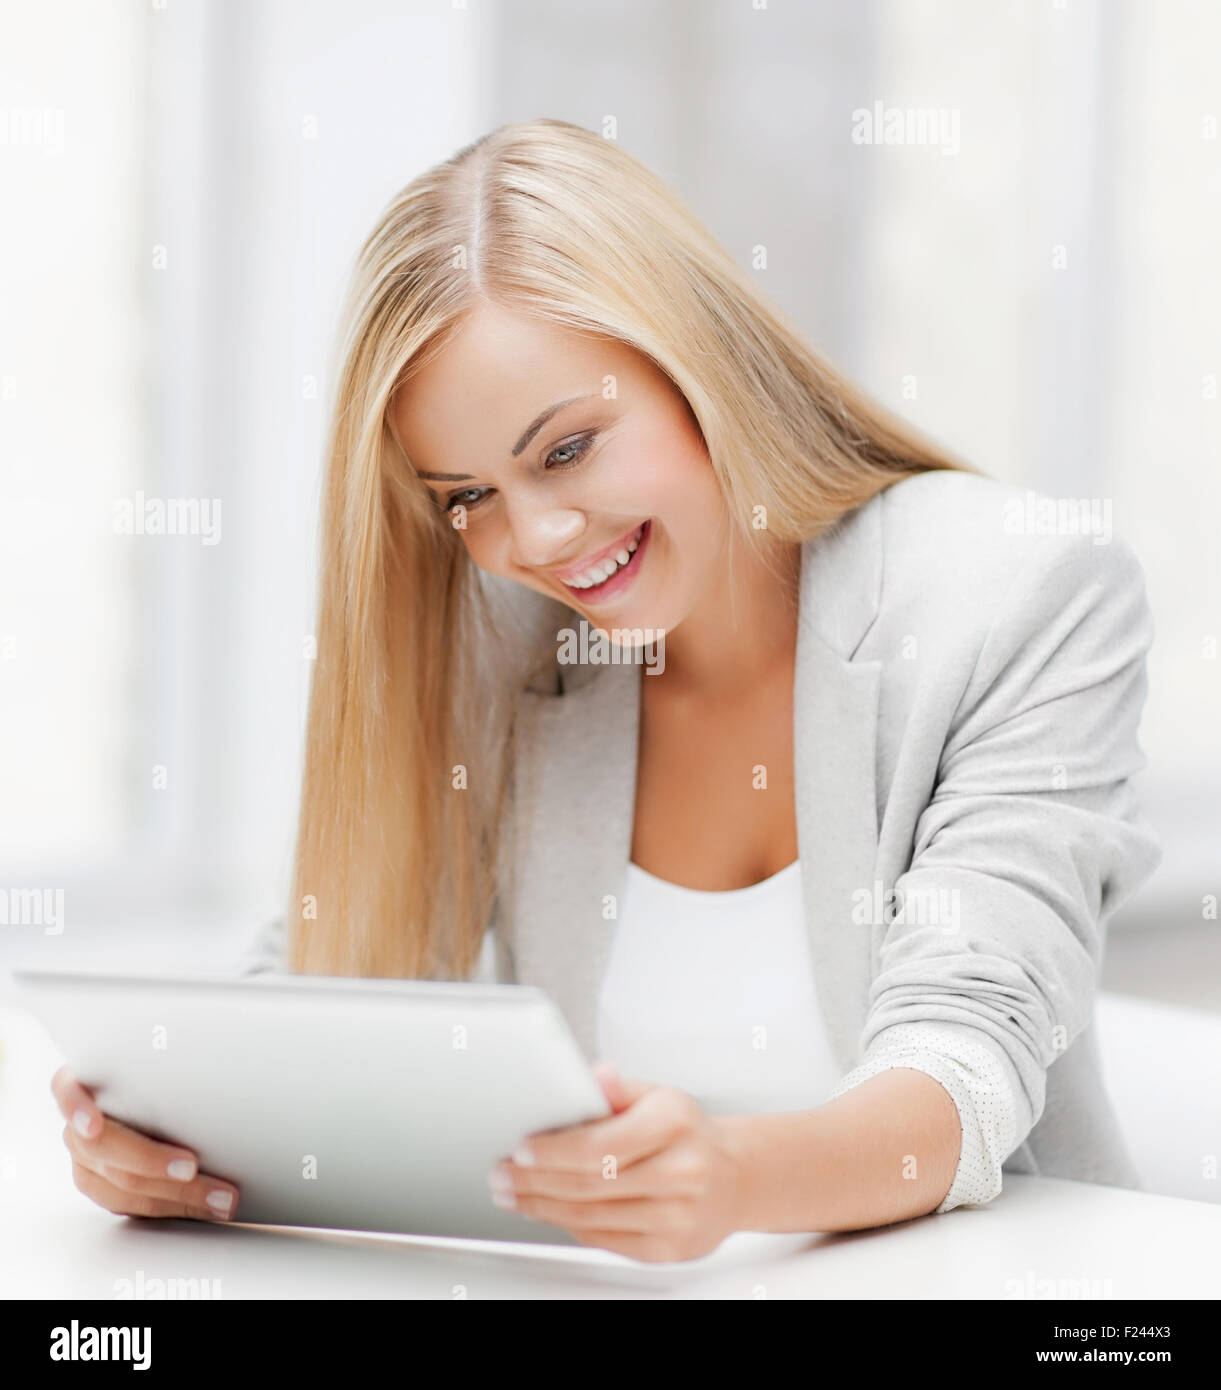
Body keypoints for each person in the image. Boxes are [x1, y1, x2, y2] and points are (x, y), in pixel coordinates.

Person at [53, 118, 1161, 1263]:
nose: (531, 538)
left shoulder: (1019, 592)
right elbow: (334, 961)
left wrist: (732, 1180)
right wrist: (176, 1127)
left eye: (569, 449)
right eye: (464, 495)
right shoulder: (502, 644)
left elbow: (968, 1060)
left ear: (701, 366)